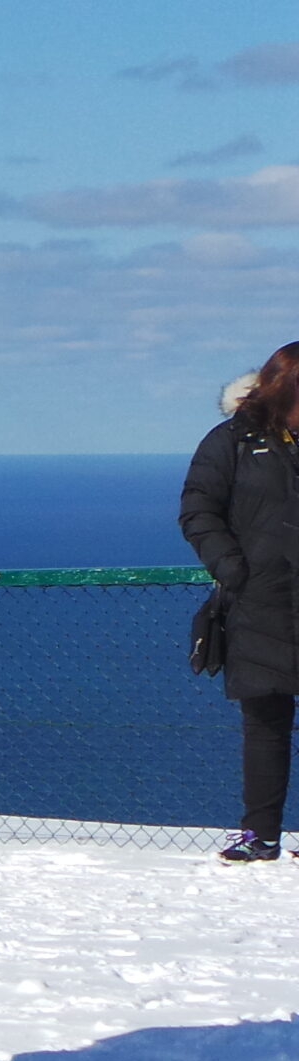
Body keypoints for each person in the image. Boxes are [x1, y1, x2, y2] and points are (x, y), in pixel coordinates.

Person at [180, 340, 299, 863]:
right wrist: (232, 568)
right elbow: (198, 509)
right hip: (258, 600)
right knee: (265, 721)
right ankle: (260, 836)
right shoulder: (231, 441)